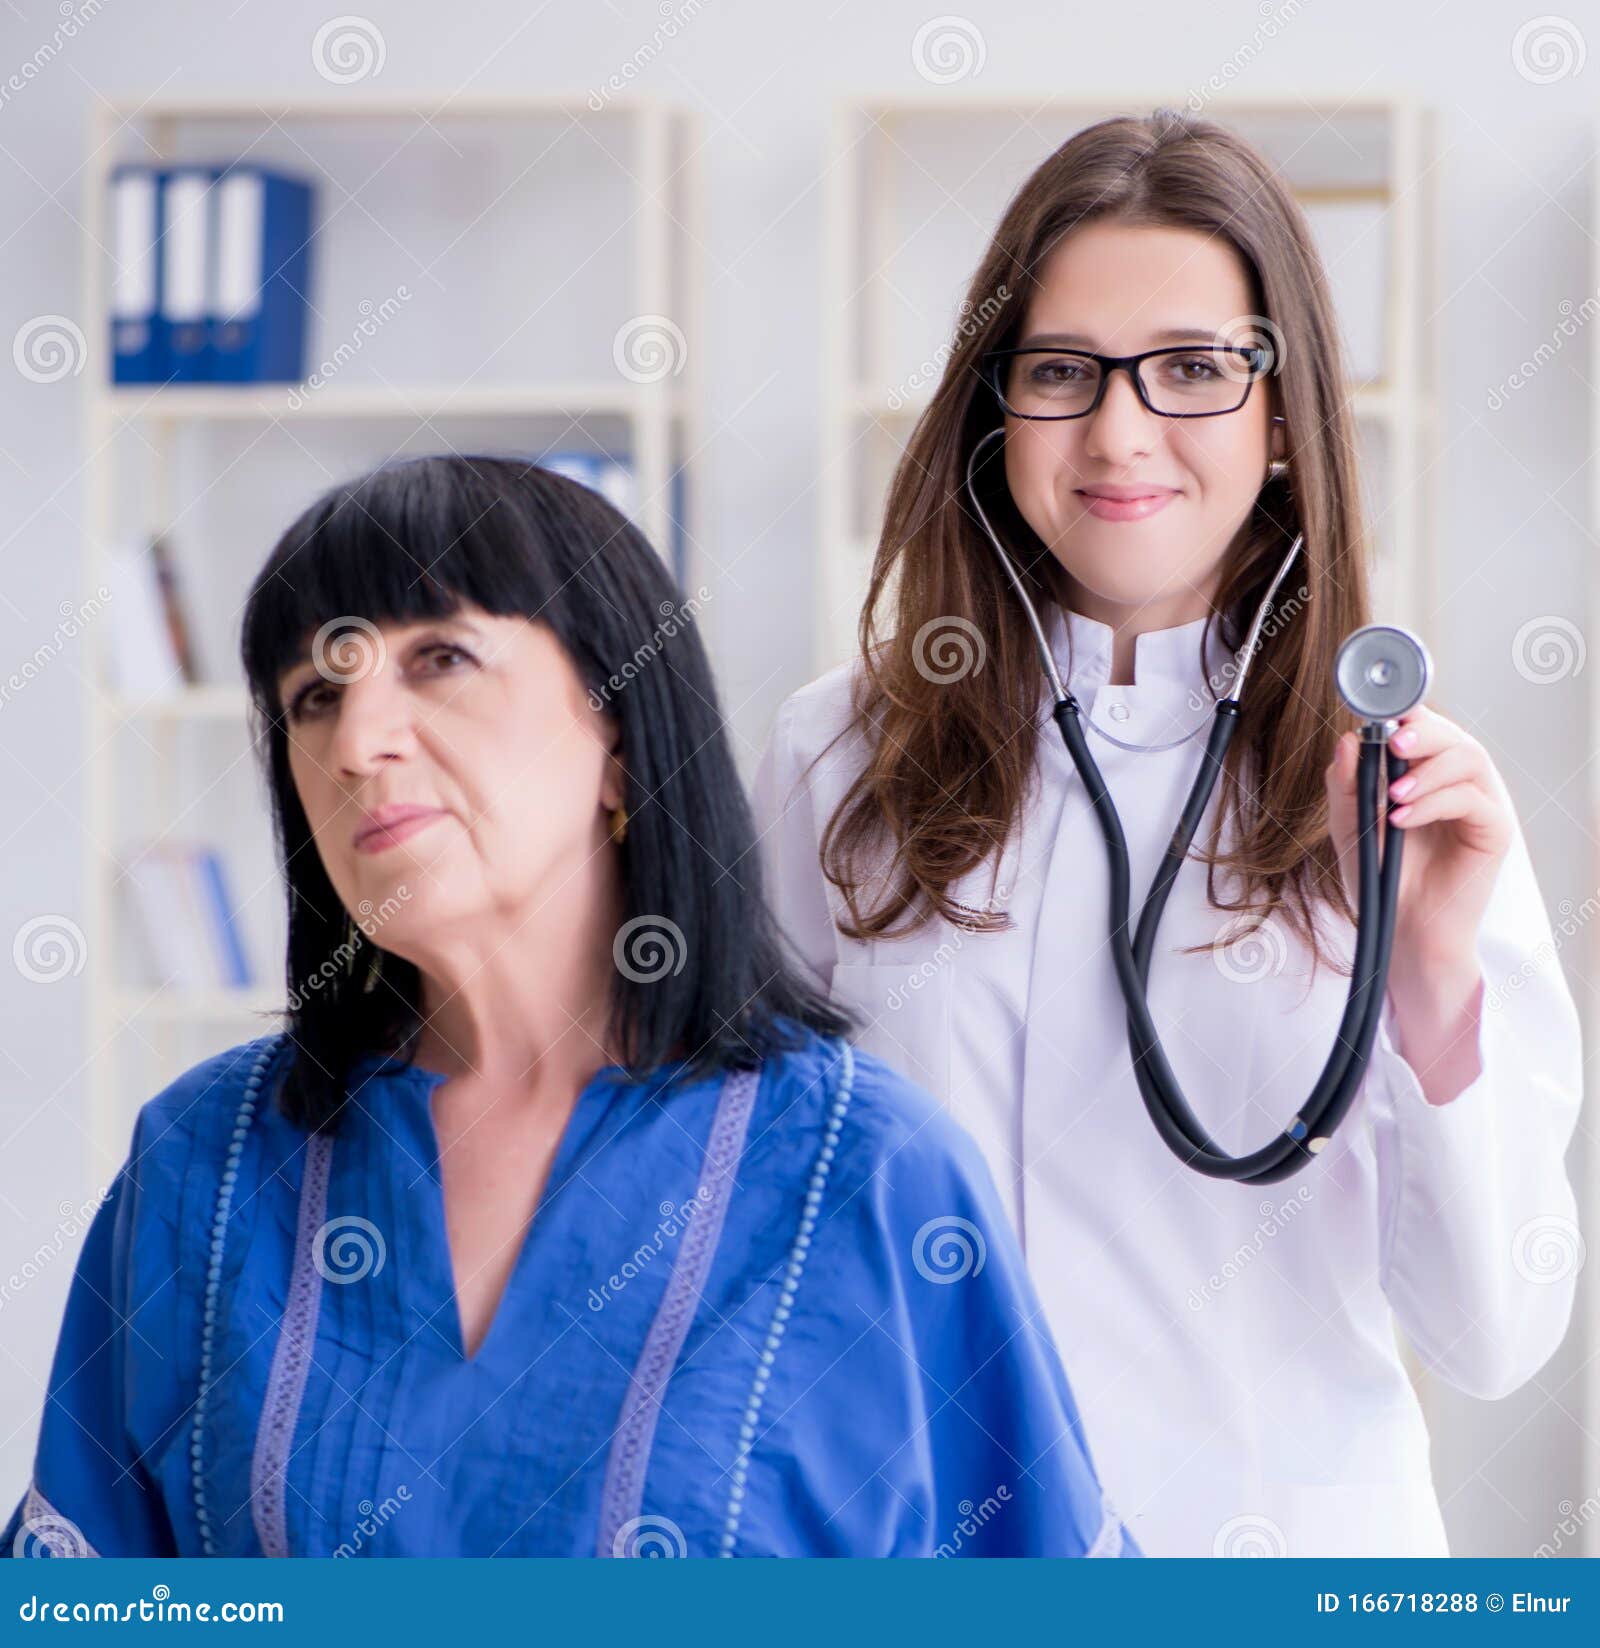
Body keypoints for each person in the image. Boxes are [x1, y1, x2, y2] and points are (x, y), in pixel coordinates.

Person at [3, 456, 1135, 1560]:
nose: (357, 743)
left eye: (439, 656)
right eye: (313, 696)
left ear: (619, 735)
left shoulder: (872, 1175)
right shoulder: (201, 1164)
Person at [752, 109, 1583, 1558]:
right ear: (994, 408)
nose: (1120, 431)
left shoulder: (1402, 792)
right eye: (1063, 371)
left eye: (1196, 369)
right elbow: (765, 1223)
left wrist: (1433, 978)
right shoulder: (837, 757)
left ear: (1283, 418)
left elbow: (1494, 1334)